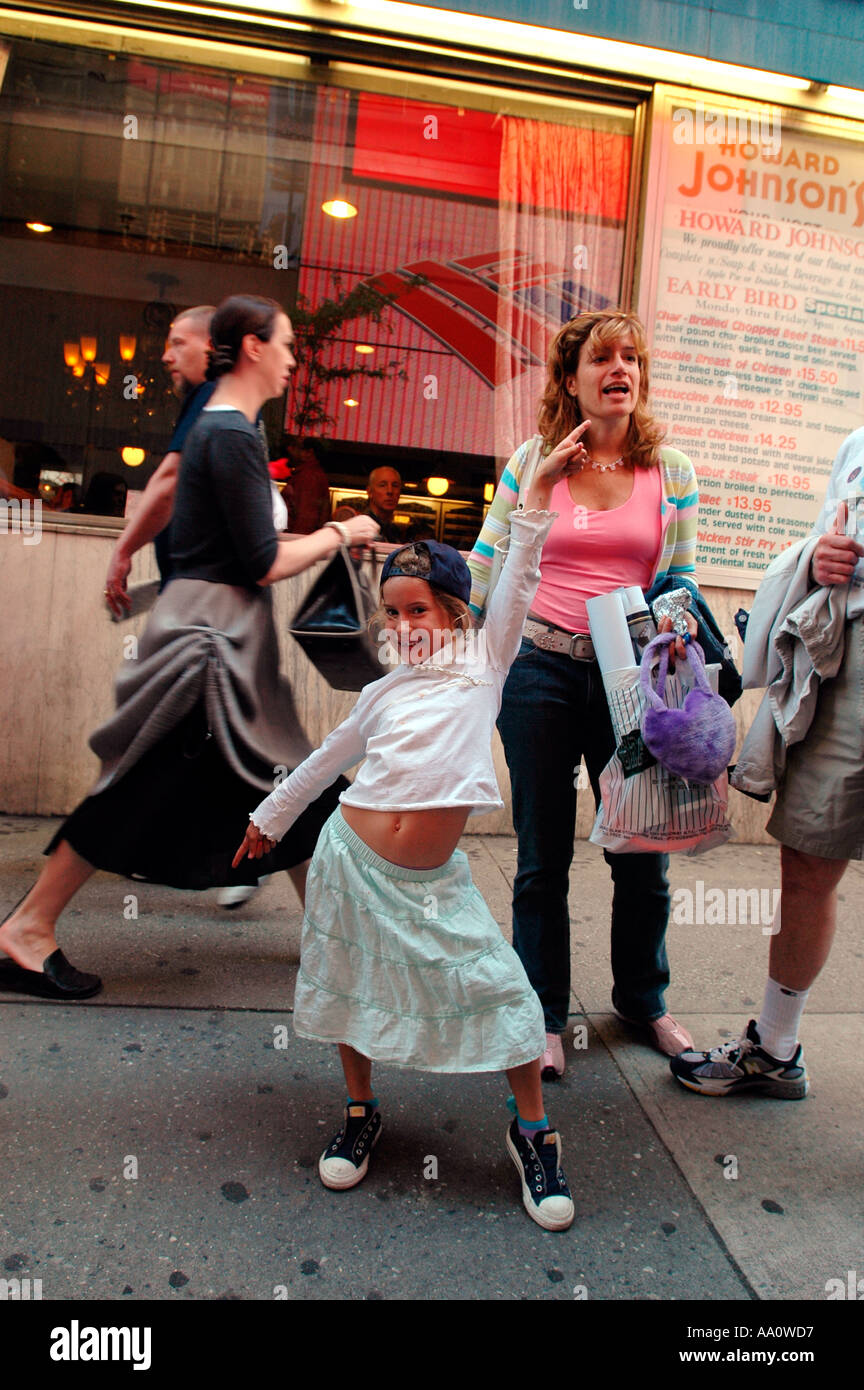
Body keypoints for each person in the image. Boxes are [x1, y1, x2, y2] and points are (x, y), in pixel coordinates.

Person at [232, 440, 589, 1230]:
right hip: (349, 861)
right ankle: (362, 1111)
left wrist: (534, 490)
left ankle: (532, 1131)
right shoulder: (383, 692)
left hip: (430, 884)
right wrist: (270, 817)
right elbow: (326, 760)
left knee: (505, 996)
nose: (403, 624)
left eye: (418, 610)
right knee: (347, 992)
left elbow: (522, 574)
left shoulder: (485, 662)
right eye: (392, 612)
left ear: (456, 614)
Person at [0, 295, 379, 1001]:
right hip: (209, 647)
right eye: (287, 343)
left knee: (291, 781)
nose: (295, 356)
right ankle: (25, 930)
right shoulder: (230, 433)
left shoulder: (222, 428)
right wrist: (343, 533)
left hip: (218, 637)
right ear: (254, 347)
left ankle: (338, 938)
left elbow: (238, 546)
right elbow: (262, 562)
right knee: (158, 784)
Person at [467, 308, 699, 1078]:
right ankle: (542, 1013)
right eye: (603, 358)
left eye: (631, 357)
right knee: (542, 856)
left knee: (642, 848)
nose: (621, 369)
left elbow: (681, 579)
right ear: (572, 380)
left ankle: (642, 998)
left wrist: (674, 617)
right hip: (538, 666)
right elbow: (486, 561)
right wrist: (446, 642)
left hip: (630, 674)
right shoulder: (534, 458)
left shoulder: (673, 471)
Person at [671, 429, 864, 1099]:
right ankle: (776, 1049)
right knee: (807, 859)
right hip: (848, 659)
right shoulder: (856, 445)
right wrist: (820, 557)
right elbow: (826, 543)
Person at [104, 305, 216, 613]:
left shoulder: (212, 394)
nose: (167, 356)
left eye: (179, 343)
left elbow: (170, 481)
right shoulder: (221, 399)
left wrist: (124, 551)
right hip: (196, 600)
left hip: (198, 605)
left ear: (212, 345)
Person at [286, 438, 331, 534]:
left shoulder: (308, 476)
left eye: (295, 447)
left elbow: (305, 518)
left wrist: (296, 544)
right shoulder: (309, 474)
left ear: (309, 453)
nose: (289, 449)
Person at [361, 465, 408, 542]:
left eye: (395, 486)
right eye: (382, 485)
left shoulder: (395, 532)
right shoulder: (360, 527)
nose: (390, 491)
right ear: (370, 492)